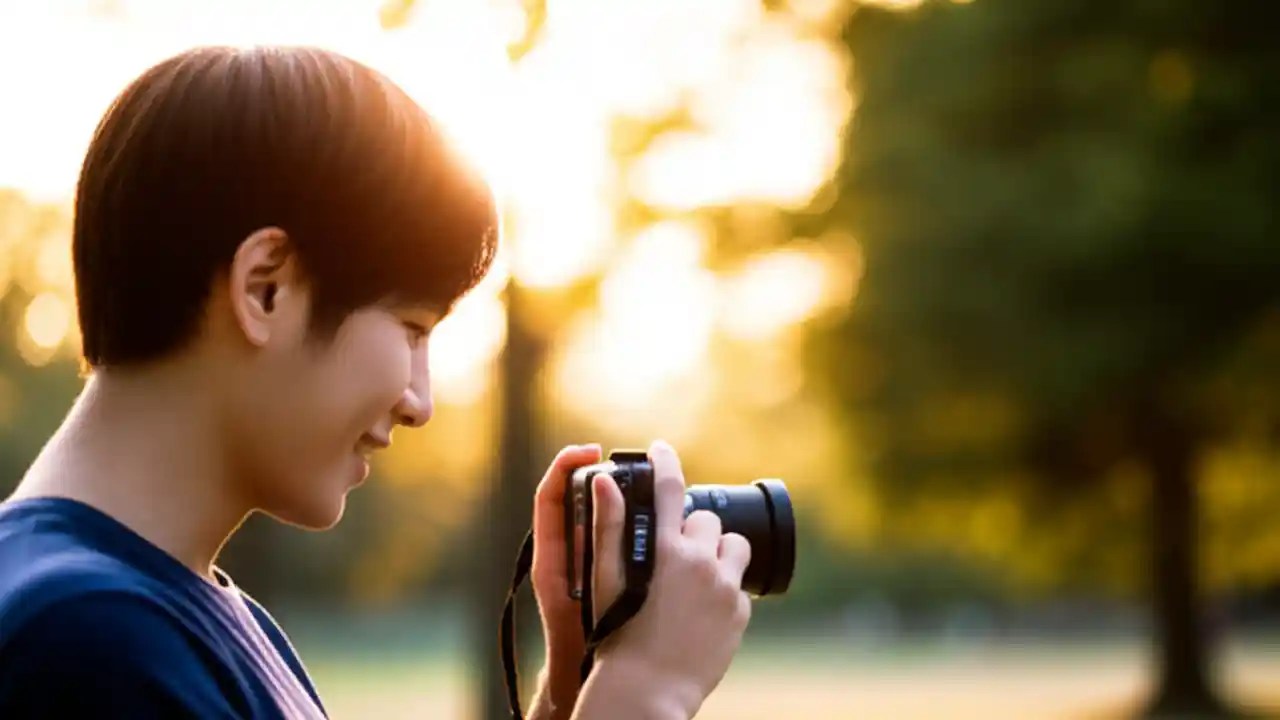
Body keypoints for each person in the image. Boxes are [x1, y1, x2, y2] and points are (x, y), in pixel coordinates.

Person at [0, 45, 753, 719]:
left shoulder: (182, 616)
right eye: (413, 329)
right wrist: (645, 696)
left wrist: (571, 692)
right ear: (266, 289)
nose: (420, 401)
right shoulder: (83, 639)